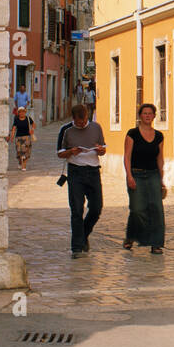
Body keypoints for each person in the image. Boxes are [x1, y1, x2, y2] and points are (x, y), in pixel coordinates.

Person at [56, 103, 106, 258]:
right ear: (73, 119)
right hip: (75, 172)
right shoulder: (66, 130)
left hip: (93, 171)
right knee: (77, 209)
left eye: (84, 121)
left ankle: (83, 234)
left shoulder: (96, 128)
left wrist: (100, 150)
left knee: (97, 207)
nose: (82, 124)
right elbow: (60, 153)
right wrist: (71, 151)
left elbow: (103, 149)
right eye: (79, 122)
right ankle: (77, 246)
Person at [124, 103, 167, 253]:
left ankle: (156, 243)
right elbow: (127, 156)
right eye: (145, 113)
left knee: (156, 209)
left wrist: (161, 178)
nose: (147, 116)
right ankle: (131, 236)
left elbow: (160, 158)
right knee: (137, 209)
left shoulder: (159, 136)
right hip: (136, 174)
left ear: (154, 116)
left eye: (150, 113)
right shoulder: (132, 134)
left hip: (153, 174)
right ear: (140, 116)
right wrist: (129, 176)